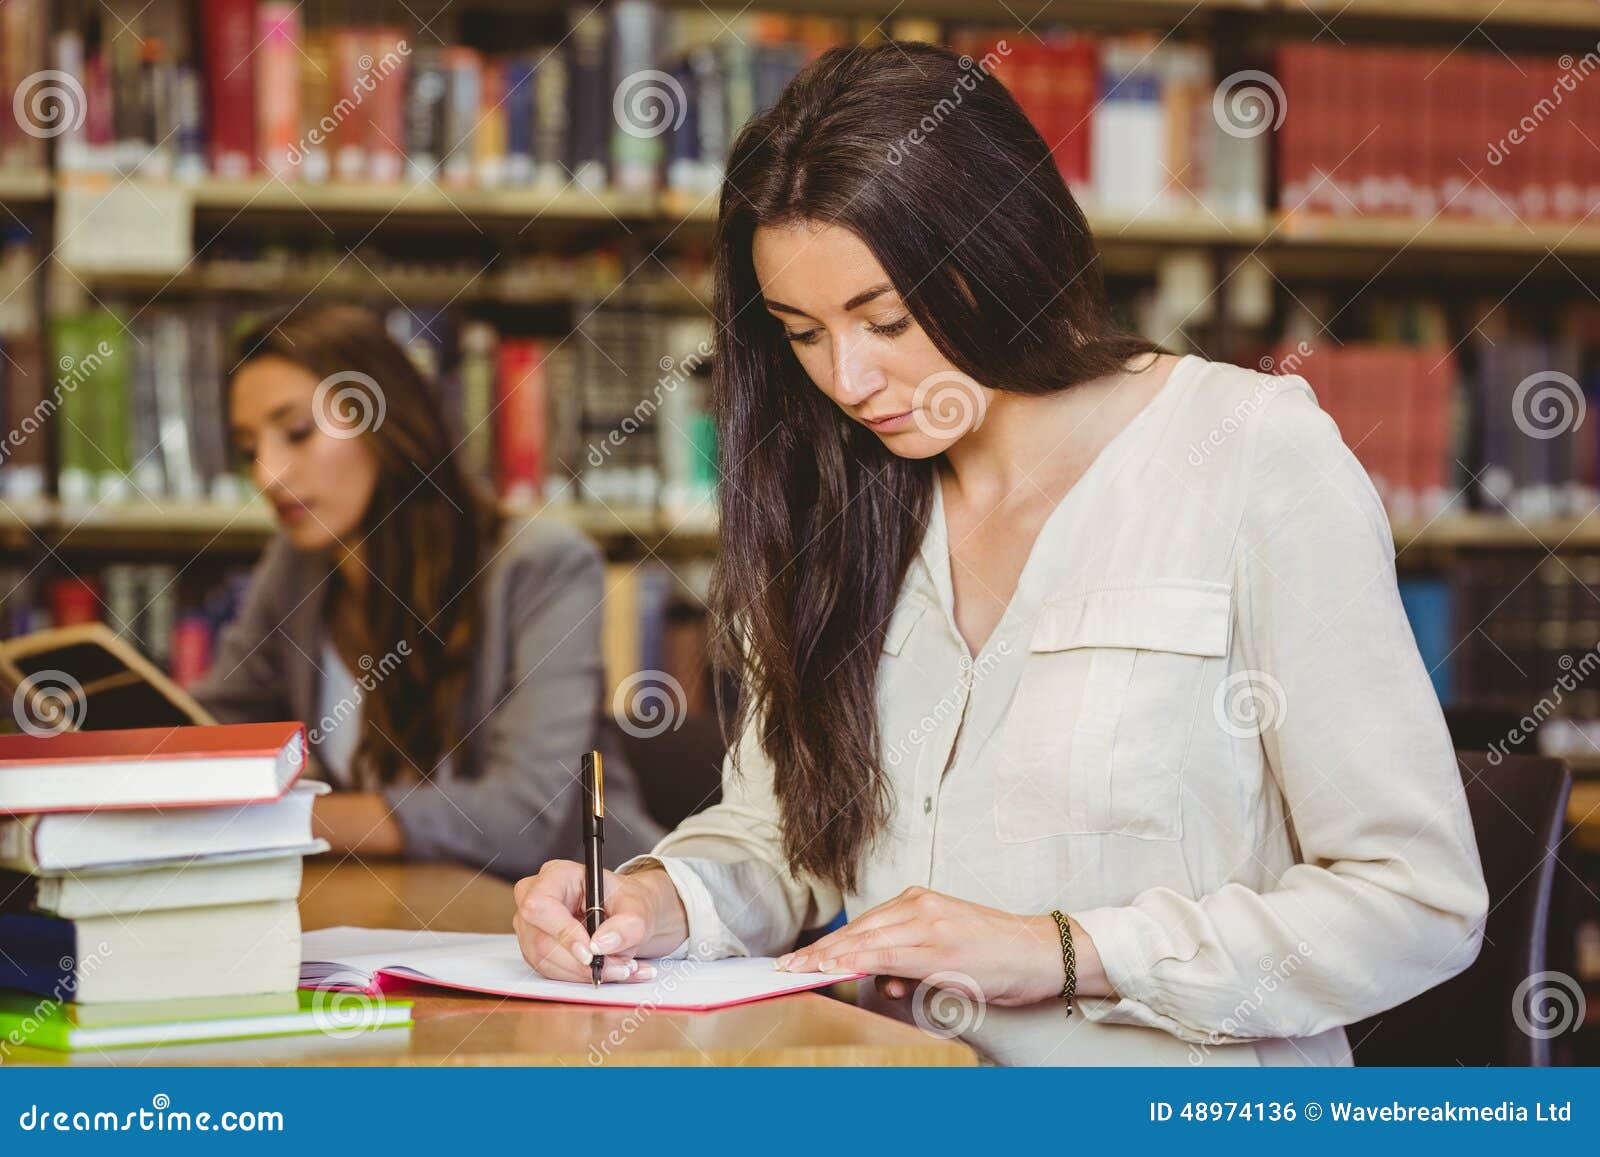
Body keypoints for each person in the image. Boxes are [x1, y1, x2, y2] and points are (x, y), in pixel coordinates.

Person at [510, 42, 1488, 1064]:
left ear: (1004, 247)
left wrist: (1063, 949)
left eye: (884, 318)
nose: (847, 377)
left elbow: (1414, 900)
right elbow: (778, 837)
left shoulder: (1247, 456)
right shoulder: (835, 495)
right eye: (801, 333)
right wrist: (653, 901)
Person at [192, 304, 662, 880]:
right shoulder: (295, 569)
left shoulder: (543, 567)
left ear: (384, 423)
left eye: (296, 433)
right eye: (248, 450)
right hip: (408, 916)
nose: (268, 475)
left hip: (590, 928)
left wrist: (282, 820)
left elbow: (519, 820)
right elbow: (210, 727)